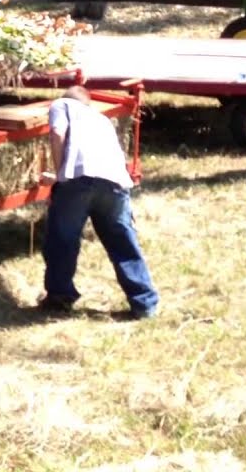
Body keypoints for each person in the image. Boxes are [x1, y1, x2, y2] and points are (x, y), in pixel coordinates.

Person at [39, 85, 159, 319]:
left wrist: (60, 174)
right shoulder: (102, 119)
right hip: (115, 183)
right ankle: (145, 303)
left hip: (79, 181)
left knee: (62, 240)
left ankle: (60, 298)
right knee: (122, 241)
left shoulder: (61, 105)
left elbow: (57, 134)